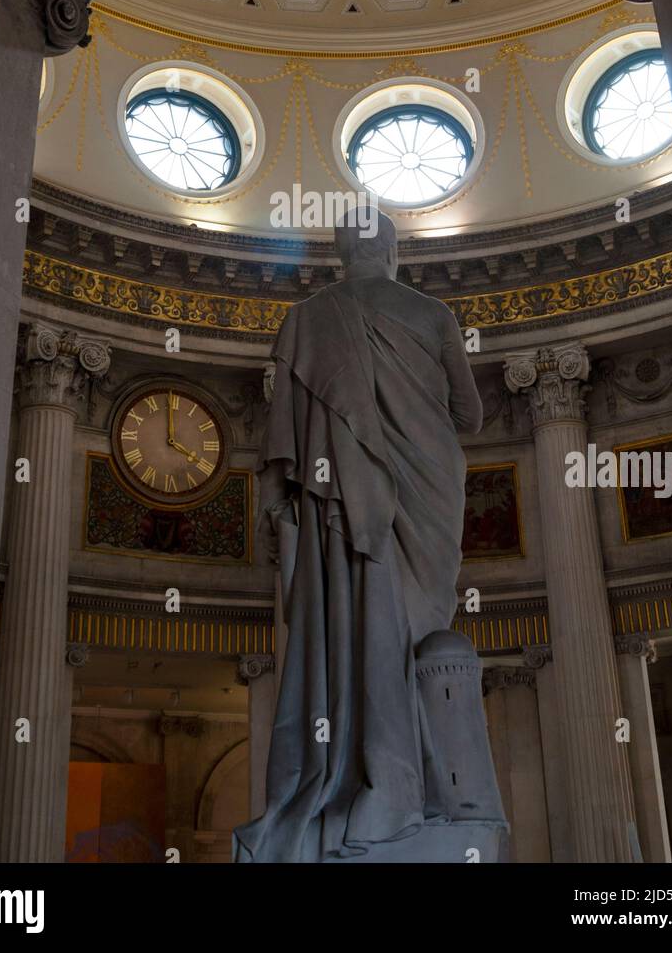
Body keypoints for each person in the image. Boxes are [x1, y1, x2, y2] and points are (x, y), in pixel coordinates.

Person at [233, 206, 483, 862]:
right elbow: (470, 412)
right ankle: (399, 785)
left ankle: (351, 776)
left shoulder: (305, 320)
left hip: (338, 501)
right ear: (393, 251)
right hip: (425, 493)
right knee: (414, 634)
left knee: (346, 633)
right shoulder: (433, 315)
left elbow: (281, 449)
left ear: (340, 252)